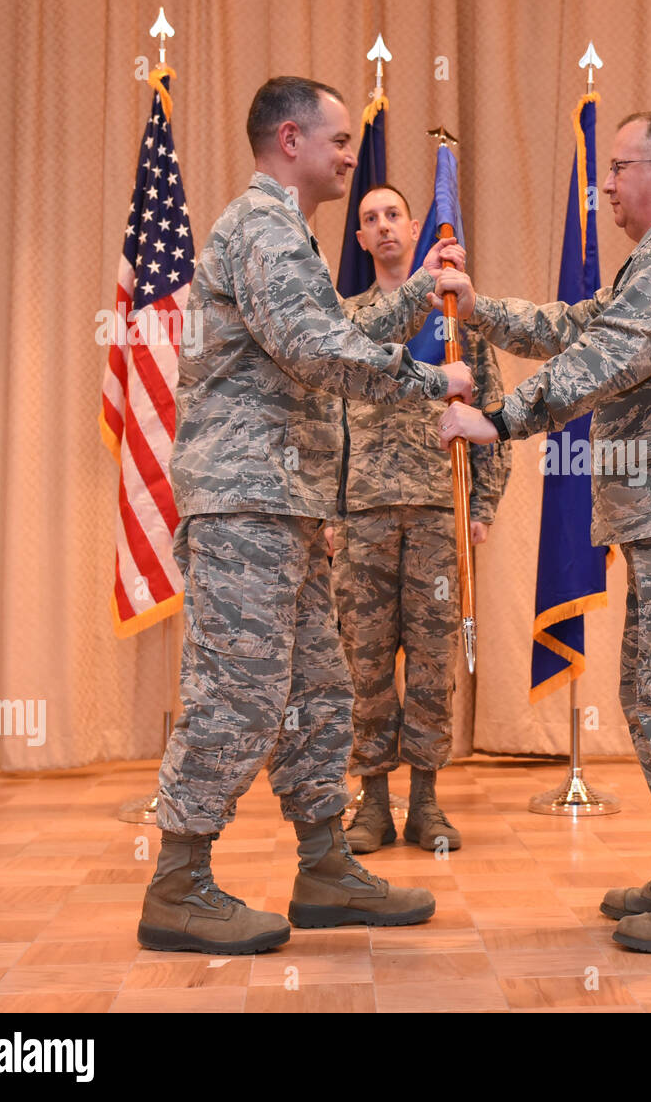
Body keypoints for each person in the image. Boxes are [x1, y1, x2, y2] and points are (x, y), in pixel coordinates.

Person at [137, 76, 476, 955]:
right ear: (290, 140)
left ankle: (324, 863)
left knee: (318, 692)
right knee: (238, 693)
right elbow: (320, 348)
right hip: (245, 502)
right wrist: (431, 378)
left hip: (286, 509)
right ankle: (177, 883)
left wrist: (422, 289)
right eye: (337, 141)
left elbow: (337, 328)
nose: (349, 155)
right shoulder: (259, 227)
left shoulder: (289, 236)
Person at [439, 111, 651, 954]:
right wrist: (482, 311)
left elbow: (610, 356)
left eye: (617, 167)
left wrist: (501, 418)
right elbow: (576, 326)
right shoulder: (650, 264)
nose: (606, 184)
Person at [335, 185, 510, 854]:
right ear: (360, 239)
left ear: (415, 229)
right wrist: (326, 509)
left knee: (435, 663)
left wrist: (484, 504)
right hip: (362, 516)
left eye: (391, 217)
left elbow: (492, 412)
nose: (382, 228)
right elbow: (324, 414)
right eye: (368, 220)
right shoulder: (344, 318)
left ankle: (428, 803)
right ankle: (373, 803)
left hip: (440, 513)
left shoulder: (450, 314)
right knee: (367, 664)